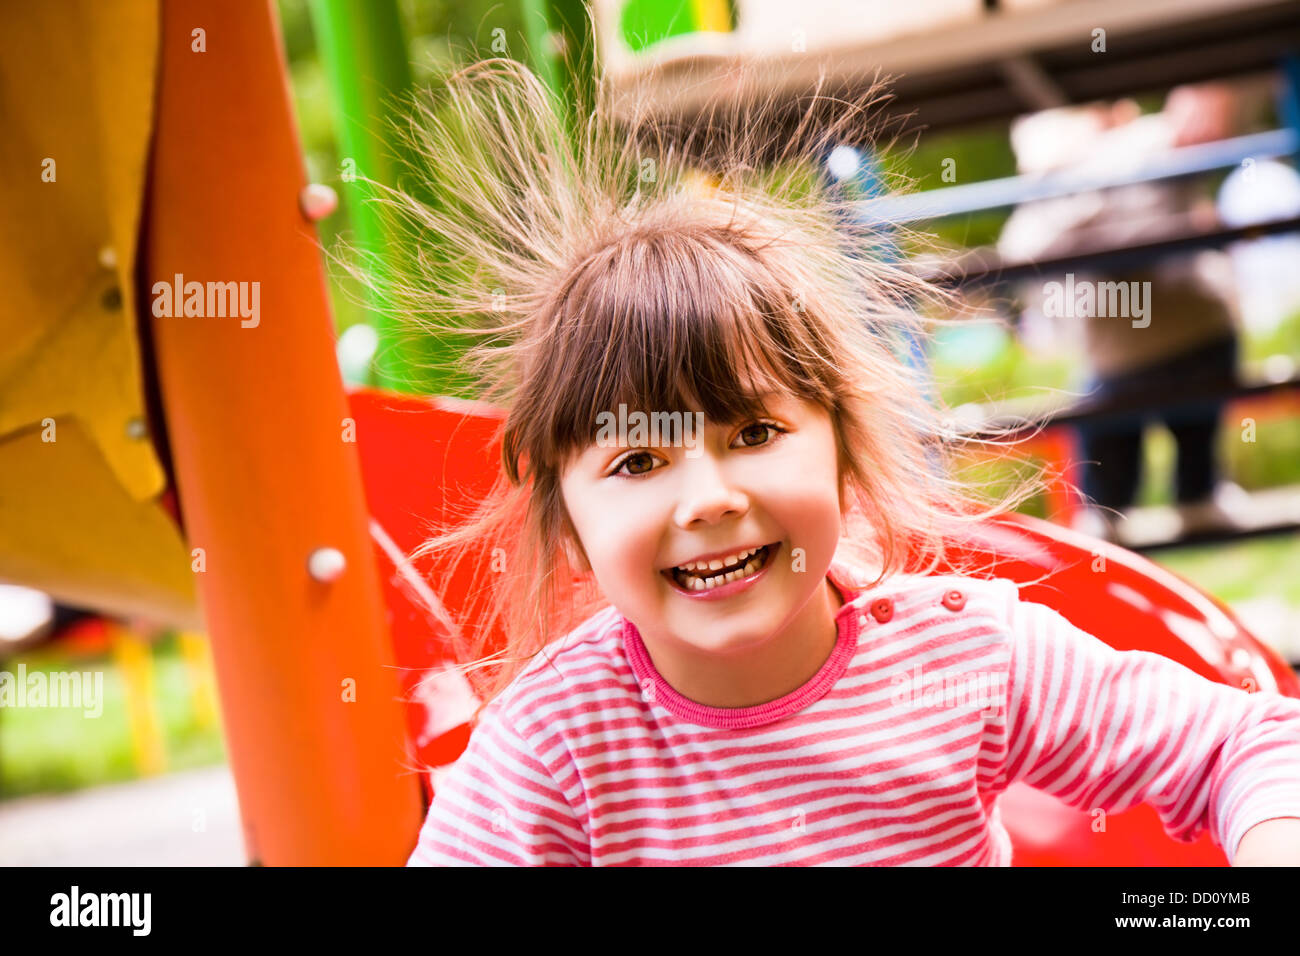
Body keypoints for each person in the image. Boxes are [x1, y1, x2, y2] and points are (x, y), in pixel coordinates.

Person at [365, 58, 1300, 865]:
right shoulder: (556, 745)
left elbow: (1248, 744)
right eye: (640, 460)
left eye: (753, 435)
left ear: (845, 452)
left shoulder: (962, 659)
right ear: (567, 520)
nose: (708, 499)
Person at [998, 85, 1248, 544]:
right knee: (1152, 425)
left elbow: (1023, 255)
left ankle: (1118, 512)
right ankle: (1191, 497)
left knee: (1111, 431)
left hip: (1136, 345)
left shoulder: (1061, 179)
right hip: (1183, 332)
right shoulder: (1148, 144)